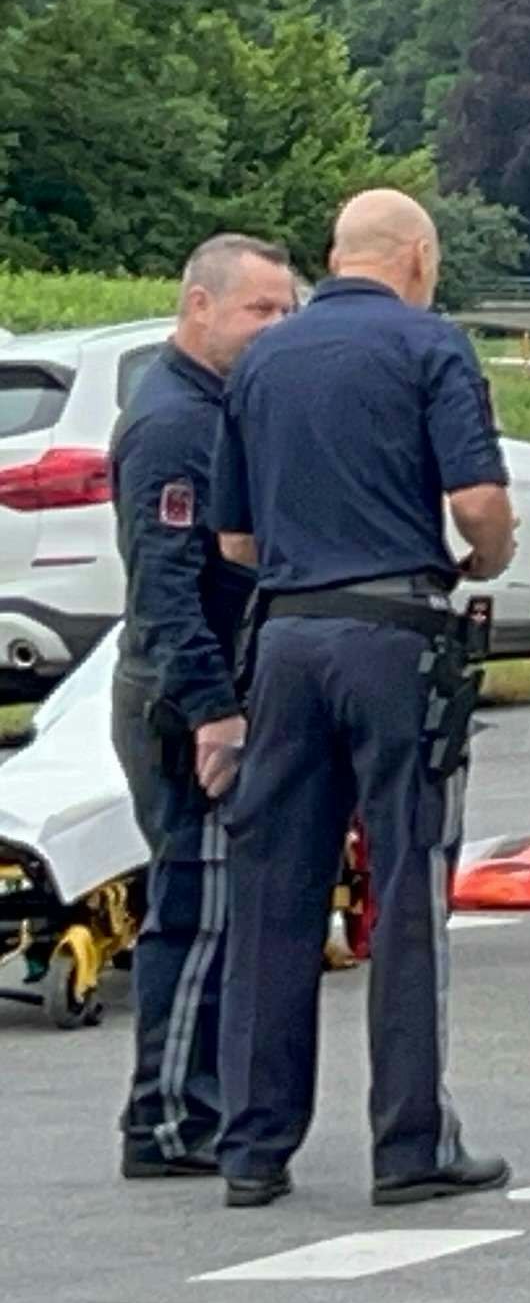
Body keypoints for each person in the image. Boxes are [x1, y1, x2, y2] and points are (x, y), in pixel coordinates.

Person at [208, 190, 516, 1210]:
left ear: (334, 257)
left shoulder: (261, 361)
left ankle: (253, 1148)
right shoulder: (431, 345)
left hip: (287, 637)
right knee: (408, 884)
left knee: (273, 894)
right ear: (418, 255)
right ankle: (409, 1144)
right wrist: (486, 556)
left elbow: (234, 542)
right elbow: (477, 501)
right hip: (395, 633)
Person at [104, 234, 300, 1179]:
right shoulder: (176, 426)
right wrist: (214, 711)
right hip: (181, 699)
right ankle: (169, 1119)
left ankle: (193, 1105)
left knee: (217, 908)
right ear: (198, 308)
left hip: (205, 686)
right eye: (259, 309)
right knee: (197, 911)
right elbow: (168, 591)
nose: (275, 327)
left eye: (286, 310)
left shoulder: (218, 406)